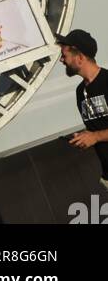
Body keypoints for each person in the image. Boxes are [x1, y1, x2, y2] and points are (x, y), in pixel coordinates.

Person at [58, 28, 108, 191]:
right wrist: (84, 137)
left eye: (64, 55)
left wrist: (95, 136)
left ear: (79, 58)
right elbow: (97, 128)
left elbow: (97, 135)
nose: (61, 60)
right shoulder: (80, 92)